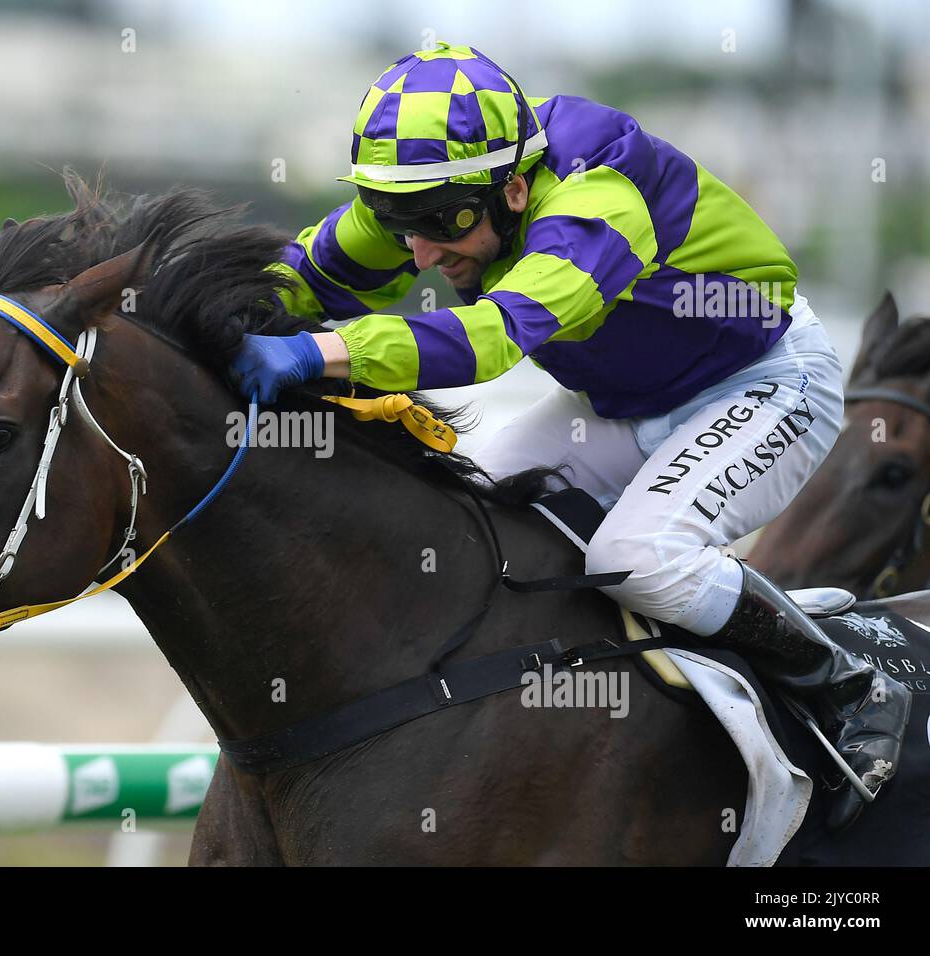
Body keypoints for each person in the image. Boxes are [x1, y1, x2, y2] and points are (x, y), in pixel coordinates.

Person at [229, 42, 909, 830]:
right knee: (463, 507)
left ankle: (849, 679)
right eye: (396, 221)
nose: (418, 249)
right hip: (624, 399)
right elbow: (298, 275)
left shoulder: (599, 202)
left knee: (639, 558)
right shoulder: (444, 195)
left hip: (766, 381)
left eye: (438, 223)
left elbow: (491, 338)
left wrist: (317, 352)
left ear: (514, 188)